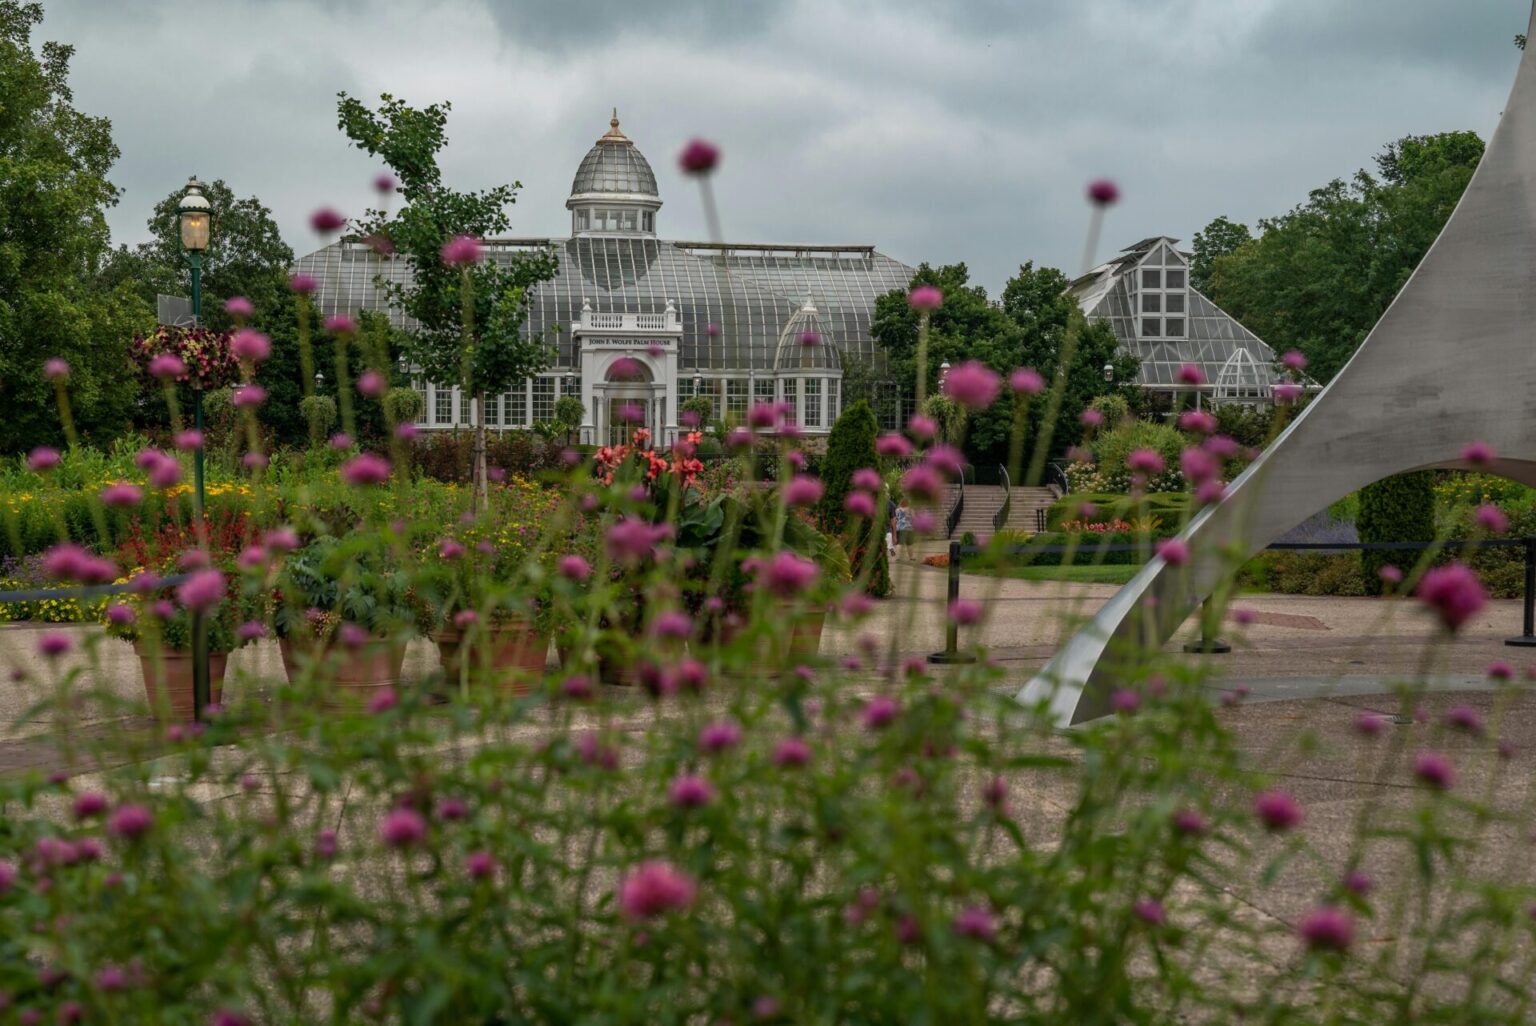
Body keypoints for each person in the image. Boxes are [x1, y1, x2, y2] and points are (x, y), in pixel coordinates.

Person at [894, 498, 915, 562]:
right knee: (909, 544)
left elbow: (895, 518)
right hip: (909, 529)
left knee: (899, 544)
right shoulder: (910, 510)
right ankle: (911, 557)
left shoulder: (897, 510)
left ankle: (898, 558)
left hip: (900, 528)